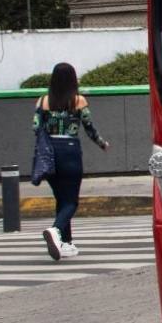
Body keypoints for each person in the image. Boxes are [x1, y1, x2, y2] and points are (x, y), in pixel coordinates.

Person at [30, 63, 110, 261]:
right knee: (72, 201)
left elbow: (35, 126)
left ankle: (66, 243)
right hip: (70, 151)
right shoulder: (78, 100)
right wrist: (102, 144)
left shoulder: (43, 101)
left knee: (62, 199)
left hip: (49, 153)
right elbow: (89, 127)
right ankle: (56, 230)